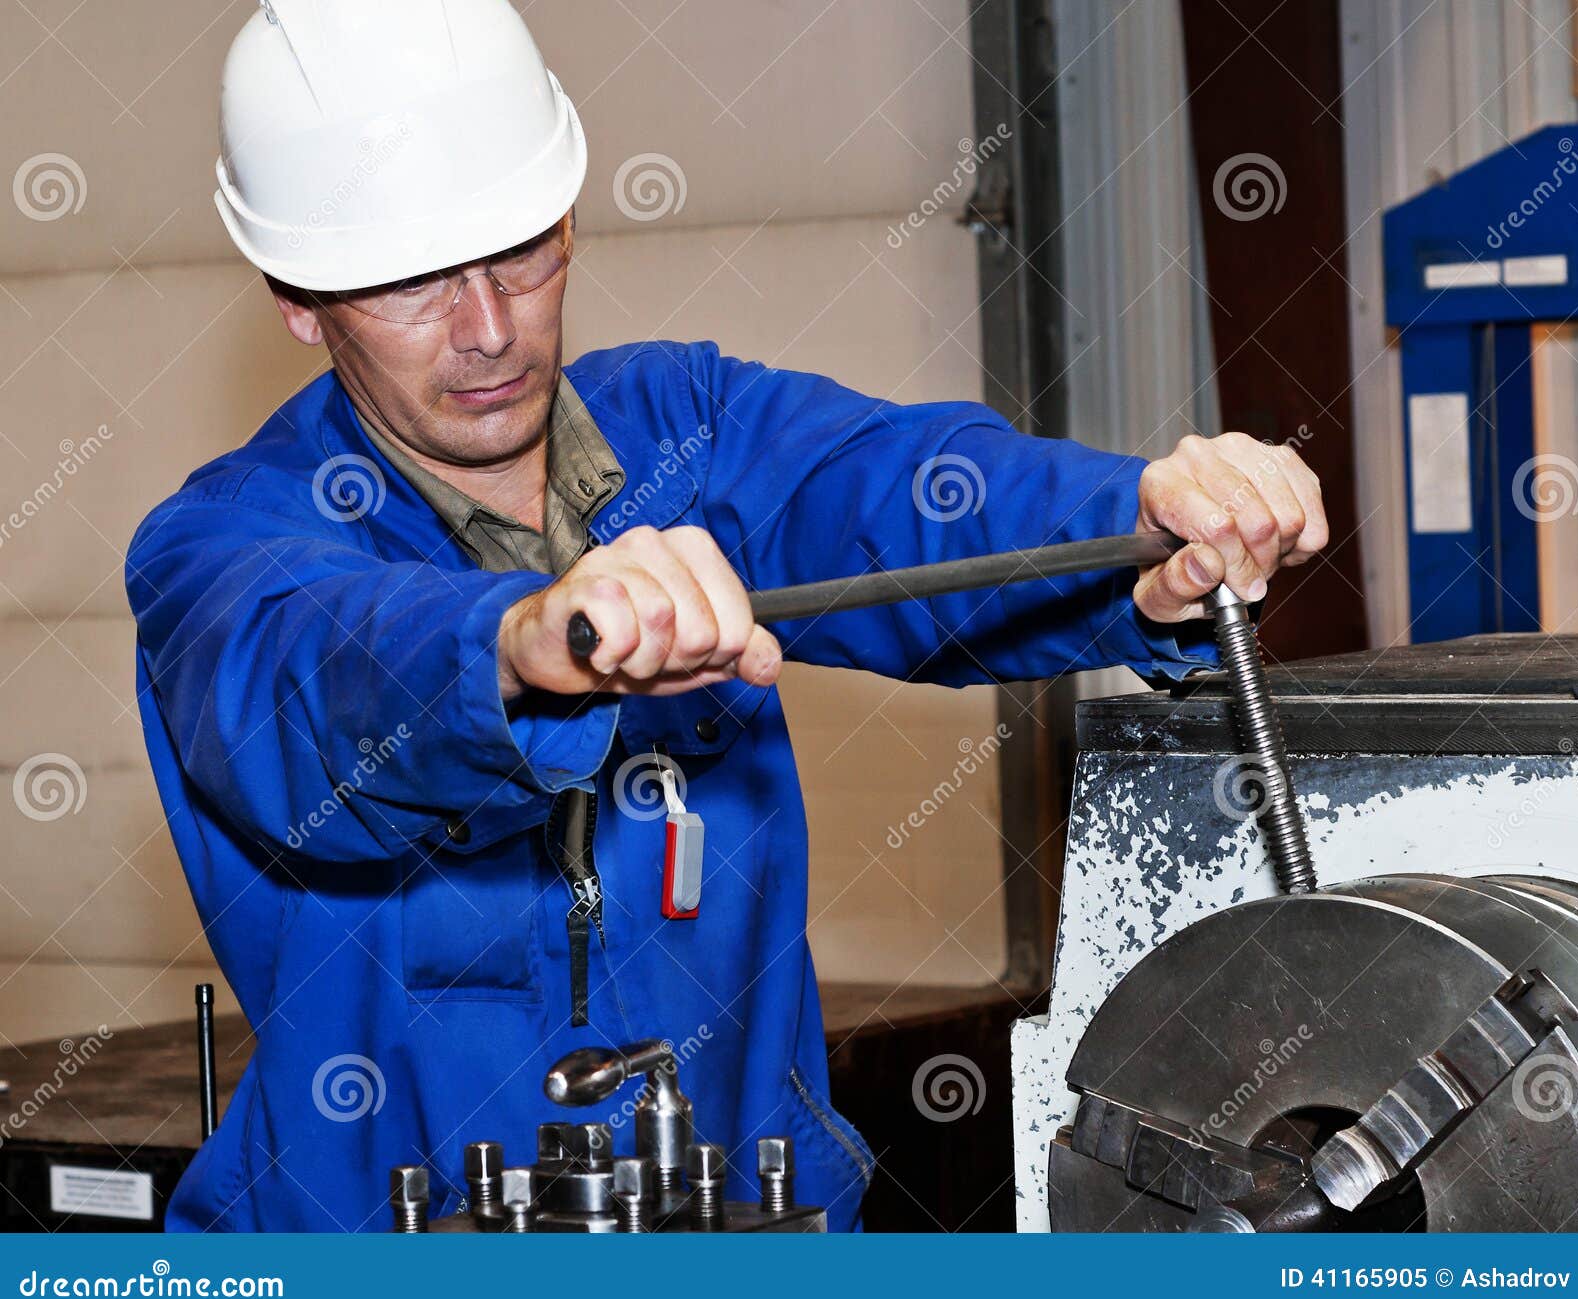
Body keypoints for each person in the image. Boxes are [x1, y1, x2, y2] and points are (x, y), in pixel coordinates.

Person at [126, 0, 1327, 1232]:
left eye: (520, 251)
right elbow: (320, 678)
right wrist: (524, 644)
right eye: (413, 282)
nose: (487, 328)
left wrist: (1135, 529)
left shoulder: (683, 433)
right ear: (299, 298)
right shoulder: (221, 552)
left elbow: (898, 493)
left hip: (745, 1227)